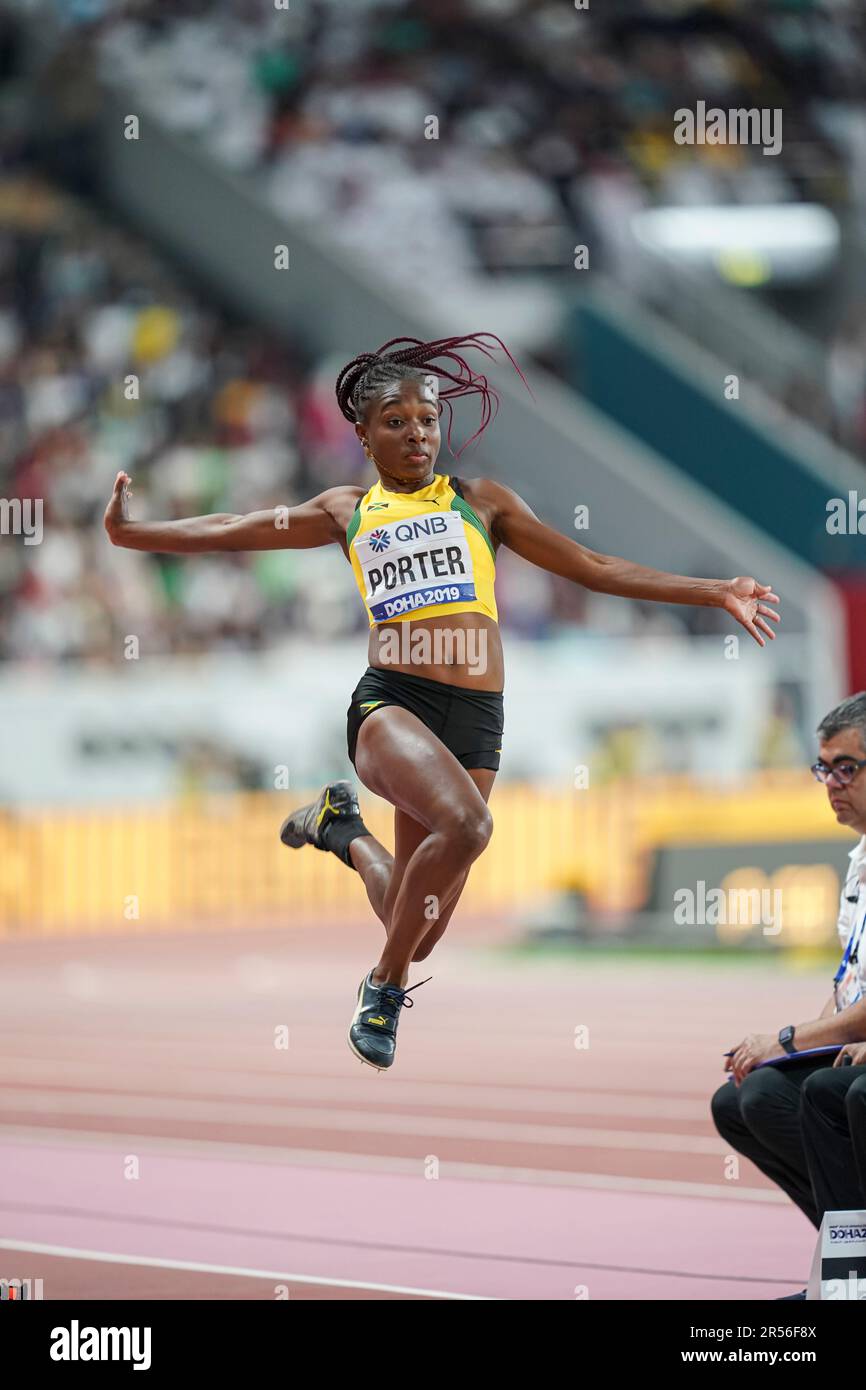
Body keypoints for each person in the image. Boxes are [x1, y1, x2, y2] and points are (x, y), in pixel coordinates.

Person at [104, 331, 780, 1071]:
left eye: (427, 420)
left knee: (418, 924)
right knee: (468, 825)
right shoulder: (346, 509)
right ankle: (384, 987)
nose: (417, 434)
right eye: (396, 422)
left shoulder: (482, 503)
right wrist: (134, 534)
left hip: (478, 721)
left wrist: (714, 591)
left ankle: (340, 830)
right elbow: (231, 528)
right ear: (363, 435)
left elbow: (591, 564)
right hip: (393, 706)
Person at [711, 692, 866, 1298]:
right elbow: (849, 986)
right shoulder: (858, 860)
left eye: (846, 768)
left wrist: (787, 1039)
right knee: (745, 1099)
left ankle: (849, 1281)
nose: (831, 784)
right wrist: (797, 1044)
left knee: (833, 1093)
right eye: (823, 769)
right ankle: (844, 1263)